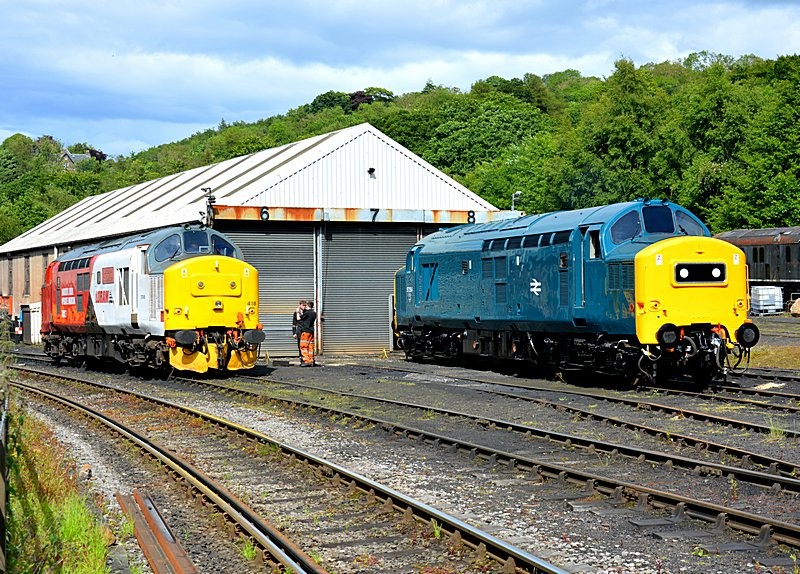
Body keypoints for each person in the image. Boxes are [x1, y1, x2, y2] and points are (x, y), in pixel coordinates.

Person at [296, 299, 317, 366]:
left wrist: (297, 312)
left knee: (303, 346)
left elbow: (299, 319)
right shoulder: (314, 313)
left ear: (307, 305)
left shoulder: (307, 313)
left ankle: (306, 360)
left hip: (305, 331)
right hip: (311, 331)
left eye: (305, 305)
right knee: (310, 346)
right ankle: (311, 360)